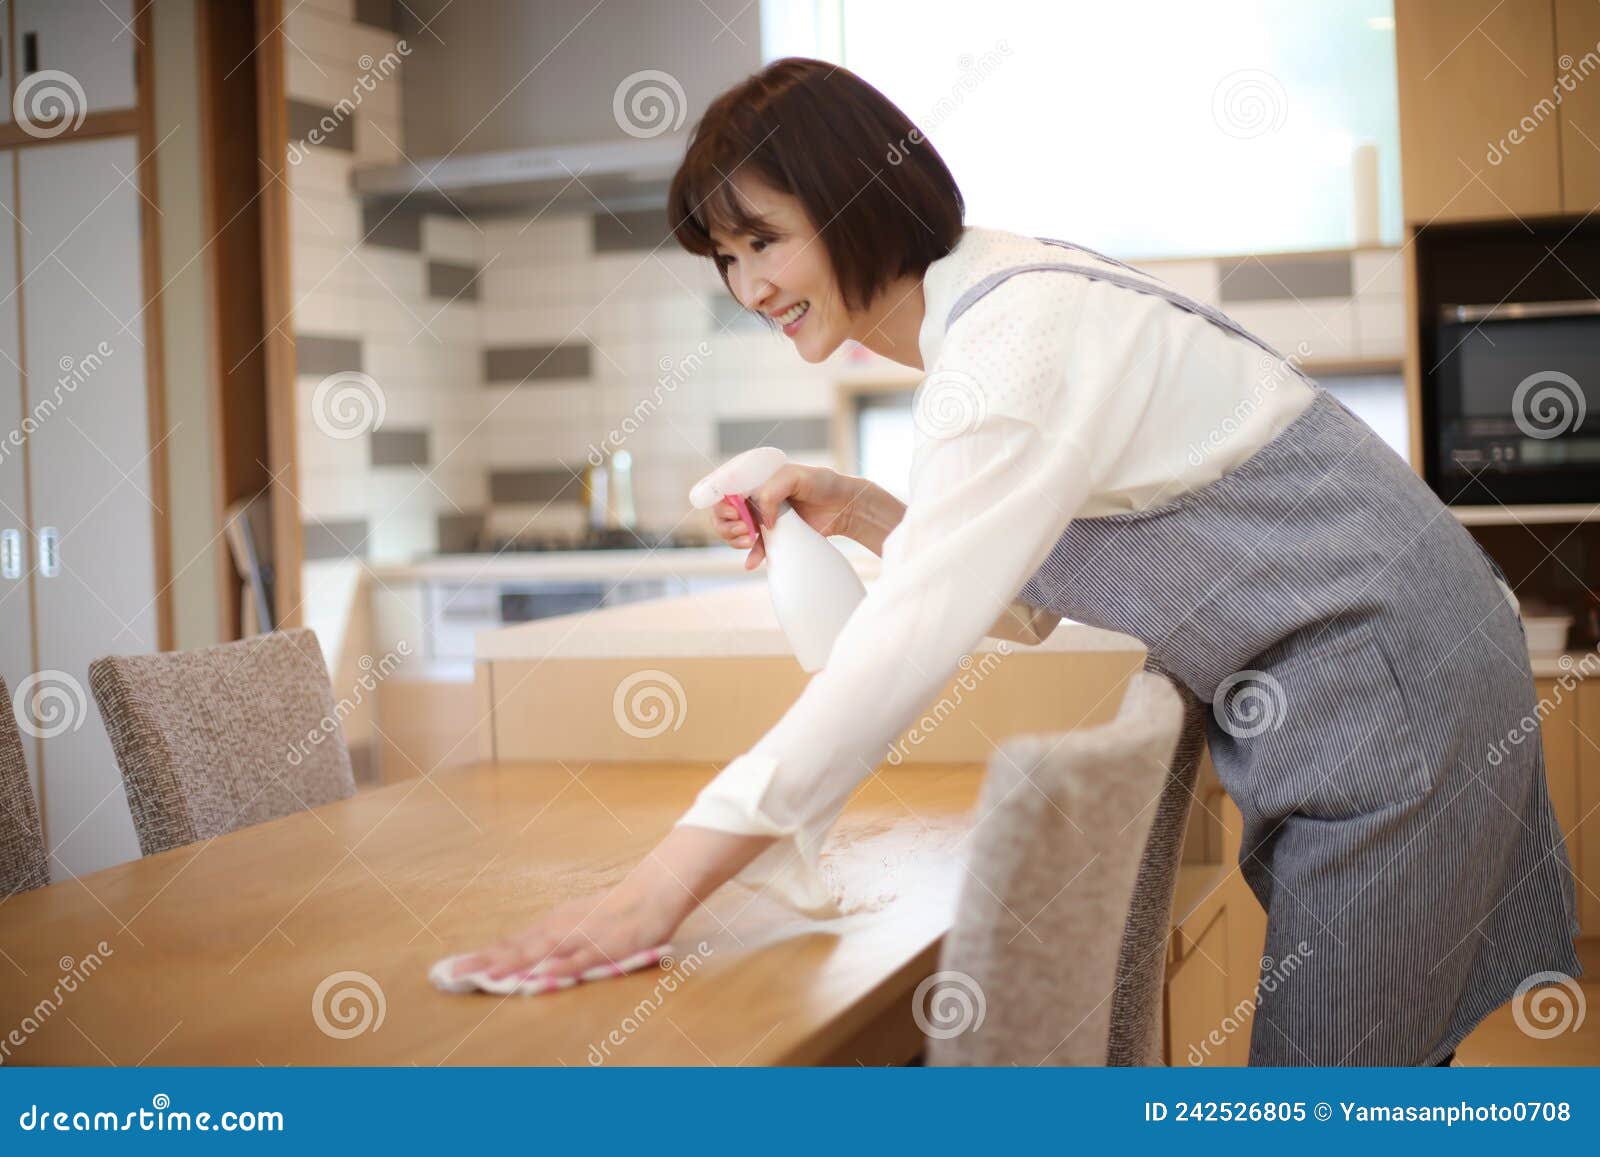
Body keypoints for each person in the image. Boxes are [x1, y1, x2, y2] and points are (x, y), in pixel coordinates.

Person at [450, 58, 1580, 1065]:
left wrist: (659, 888)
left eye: (764, 242)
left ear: (857, 197)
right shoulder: (1003, 298)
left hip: (1390, 690)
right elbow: (1033, 592)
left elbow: (898, 650)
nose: (748, 289)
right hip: (1389, 665)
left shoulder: (1005, 350)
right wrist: (852, 506)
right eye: (726, 258)